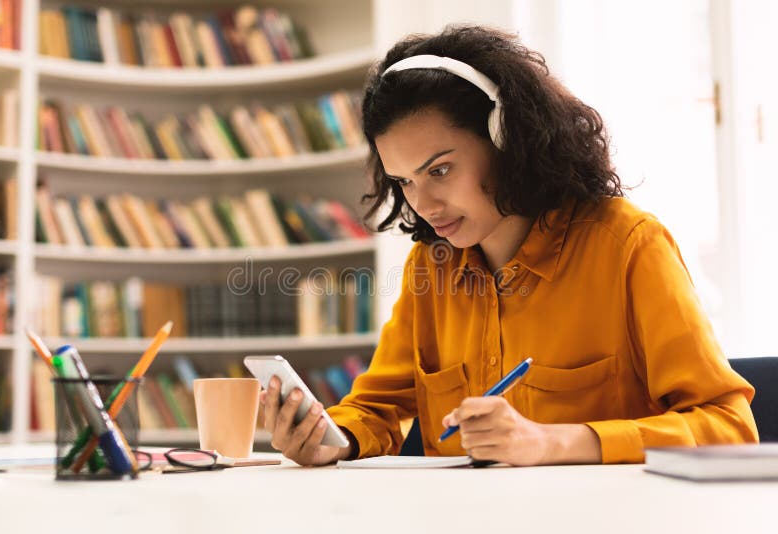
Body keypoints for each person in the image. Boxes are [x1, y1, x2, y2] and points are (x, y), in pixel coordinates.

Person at [259, 25, 758, 466]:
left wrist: (552, 443)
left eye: (439, 170)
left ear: (508, 140)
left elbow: (729, 426)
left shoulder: (628, 245)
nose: (425, 203)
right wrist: (334, 438)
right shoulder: (431, 267)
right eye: (405, 181)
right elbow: (374, 407)